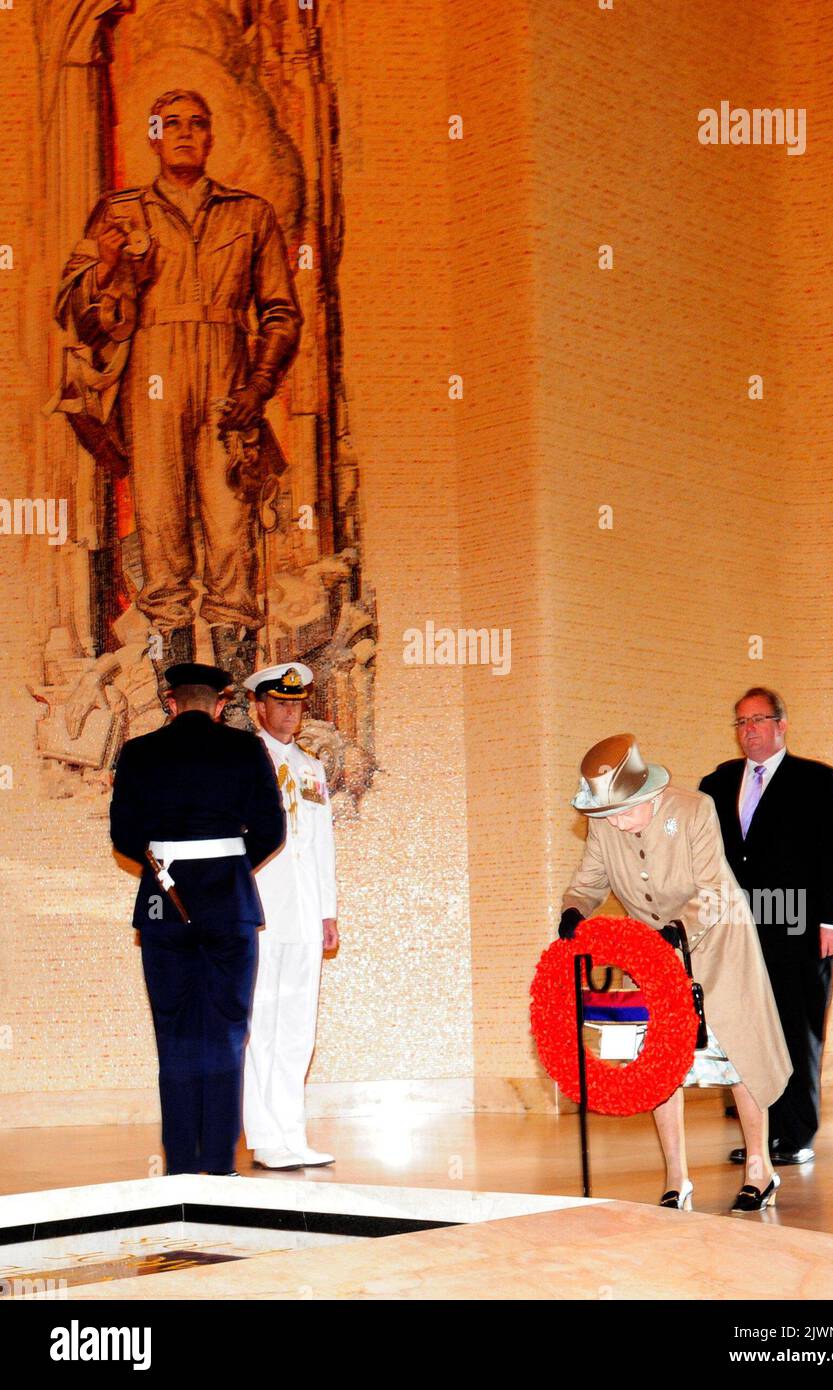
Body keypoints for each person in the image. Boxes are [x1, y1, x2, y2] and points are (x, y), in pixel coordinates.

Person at [56, 89, 302, 717]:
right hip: (152, 382)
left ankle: (240, 708)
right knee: (163, 543)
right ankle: (179, 711)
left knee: (230, 544)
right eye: (173, 125)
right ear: (153, 136)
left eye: (198, 123)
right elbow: (72, 311)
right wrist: (107, 267)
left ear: (211, 136)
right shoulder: (119, 212)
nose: (186, 134)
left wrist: (258, 386)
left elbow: (279, 313)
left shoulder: (250, 214)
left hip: (227, 384)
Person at [560, 734, 792, 1213]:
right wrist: (572, 911)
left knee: (738, 1055)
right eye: (606, 816)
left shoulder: (694, 810)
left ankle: (759, 1169)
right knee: (662, 1064)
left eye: (623, 813)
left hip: (719, 942)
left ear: (649, 795)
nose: (616, 825)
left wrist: (677, 929)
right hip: (656, 953)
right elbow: (587, 884)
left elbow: (712, 888)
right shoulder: (607, 826)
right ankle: (676, 1177)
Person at [109, 662, 285, 1175]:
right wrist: (227, 864)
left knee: (175, 1031)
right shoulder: (245, 749)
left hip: (166, 904)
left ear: (171, 702)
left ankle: (182, 1163)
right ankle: (221, 1164)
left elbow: (123, 837)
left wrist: (172, 864)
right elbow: (272, 829)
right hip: (229, 904)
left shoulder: (139, 752)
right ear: (218, 703)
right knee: (228, 1030)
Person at [699, 687, 833, 1166]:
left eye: (759, 720)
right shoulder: (718, 782)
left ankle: (795, 1134)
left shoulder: (818, 780)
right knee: (745, 1029)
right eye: (742, 723)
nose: (749, 731)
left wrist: (832, 921)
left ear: (781, 725)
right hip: (737, 930)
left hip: (800, 927)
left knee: (795, 1026)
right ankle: (758, 1136)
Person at [241, 663, 338, 1169]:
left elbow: (321, 844)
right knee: (262, 1020)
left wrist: (328, 910)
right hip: (261, 909)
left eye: (297, 705)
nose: (289, 713)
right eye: (280, 703)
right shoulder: (245, 760)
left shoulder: (311, 768)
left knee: (299, 1023)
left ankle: (292, 1133)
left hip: (303, 912)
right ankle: (264, 1136)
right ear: (259, 706)